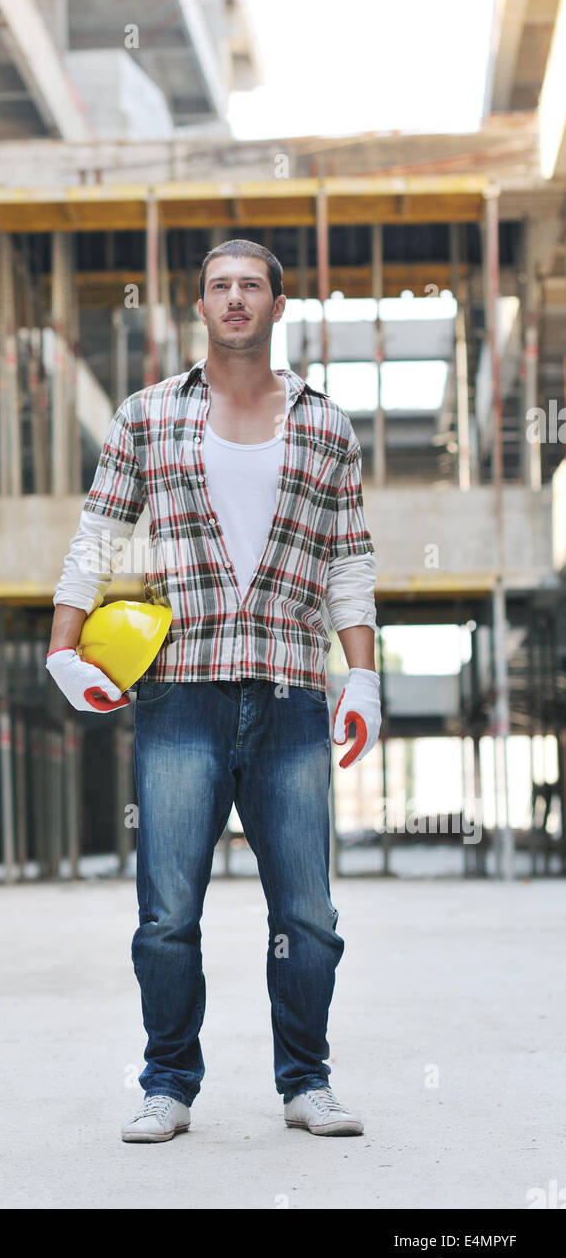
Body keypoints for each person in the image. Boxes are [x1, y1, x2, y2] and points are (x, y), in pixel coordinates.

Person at [46, 238, 381, 1142]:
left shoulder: (326, 427)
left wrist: (363, 677)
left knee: (307, 913)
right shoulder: (148, 417)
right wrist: (62, 649)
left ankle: (306, 1082)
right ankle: (167, 1085)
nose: (235, 299)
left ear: (277, 306)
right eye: (218, 287)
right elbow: (99, 535)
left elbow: (348, 563)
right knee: (167, 913)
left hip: (289, 695)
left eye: (251, 287)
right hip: (180, 693)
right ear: (200, 307)